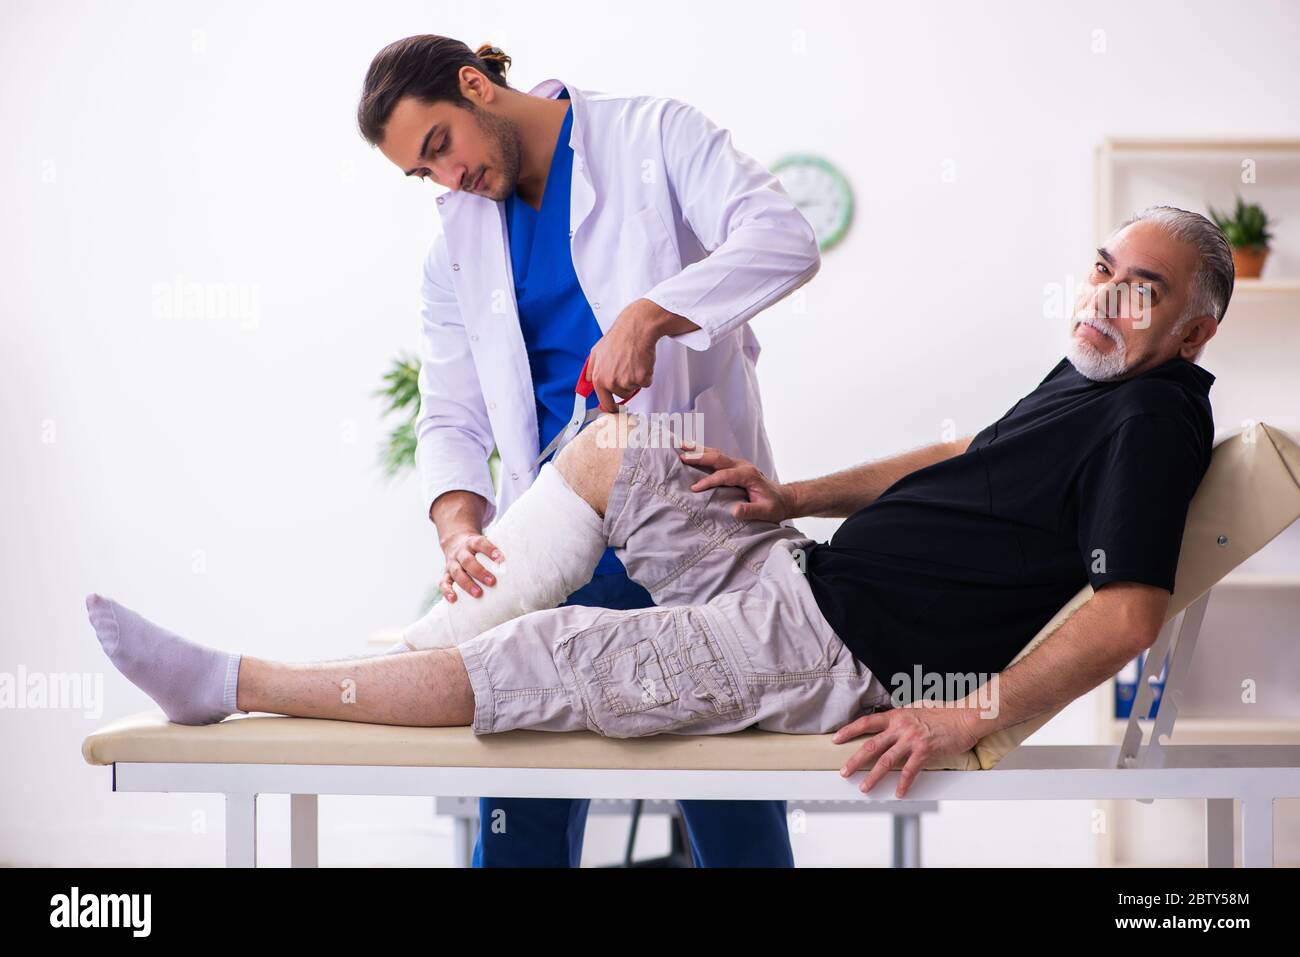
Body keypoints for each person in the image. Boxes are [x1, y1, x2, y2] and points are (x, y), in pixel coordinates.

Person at [86, 205, 1232, 808]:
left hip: (830, 653)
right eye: (1101, 267)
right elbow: (960, 454)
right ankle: (430, 642)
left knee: (554, 647)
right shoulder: (1093, 381)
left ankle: (232, 683)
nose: (1104, 296)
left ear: (1193, 328)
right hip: (803, 579)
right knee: (623, 445)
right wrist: (788, 495)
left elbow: (1127, 612)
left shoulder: (1152, 416)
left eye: (1143, 288)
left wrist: (963, 715)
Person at [355, 36, 821, 866]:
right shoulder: (454, 250)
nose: (446, 178)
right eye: (422, 174)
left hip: (695, 531)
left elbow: (784, 238)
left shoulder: (654, 137)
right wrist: (459, 529)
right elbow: (451, 415)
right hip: (560, 543)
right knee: (520, 815)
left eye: (440, 147)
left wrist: (653, 313)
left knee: (732, 810)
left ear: (476, 87)